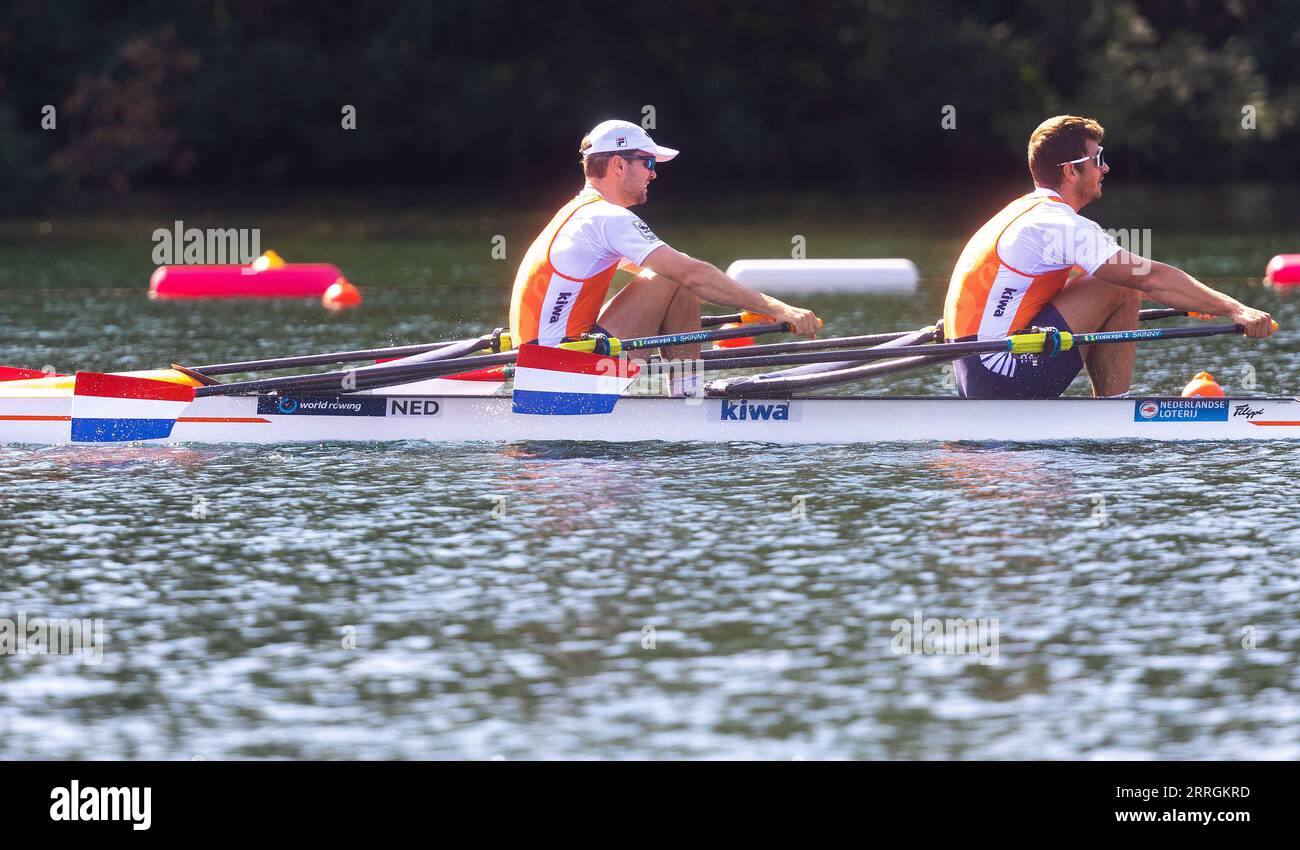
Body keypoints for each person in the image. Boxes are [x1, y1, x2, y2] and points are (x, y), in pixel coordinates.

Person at [942, 114, 1273, 399]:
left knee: (1114, 279)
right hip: (1000, 371)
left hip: (977, 368)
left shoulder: (1024, 212)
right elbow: (1147, 276)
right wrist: (1235, 309)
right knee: (1121, 286)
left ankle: (1111, 409)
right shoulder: (1058, 223)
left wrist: (1196, 301)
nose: (1106, 168)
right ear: (1071, 171)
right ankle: (1116, 411)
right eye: (1097, 159)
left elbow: (1112, 282)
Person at [509, 119, 820, 393]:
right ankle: (687, 397)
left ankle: (685, 392)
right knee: (676, 273)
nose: (653, 174)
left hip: (544, 365)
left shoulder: (580, 215)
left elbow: (683, 283)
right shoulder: (607, 218)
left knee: (674, 275)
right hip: (560, 373)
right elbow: (691, 275)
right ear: (619, 165)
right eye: (648, 163)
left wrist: (753, 306)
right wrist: (778, 308)